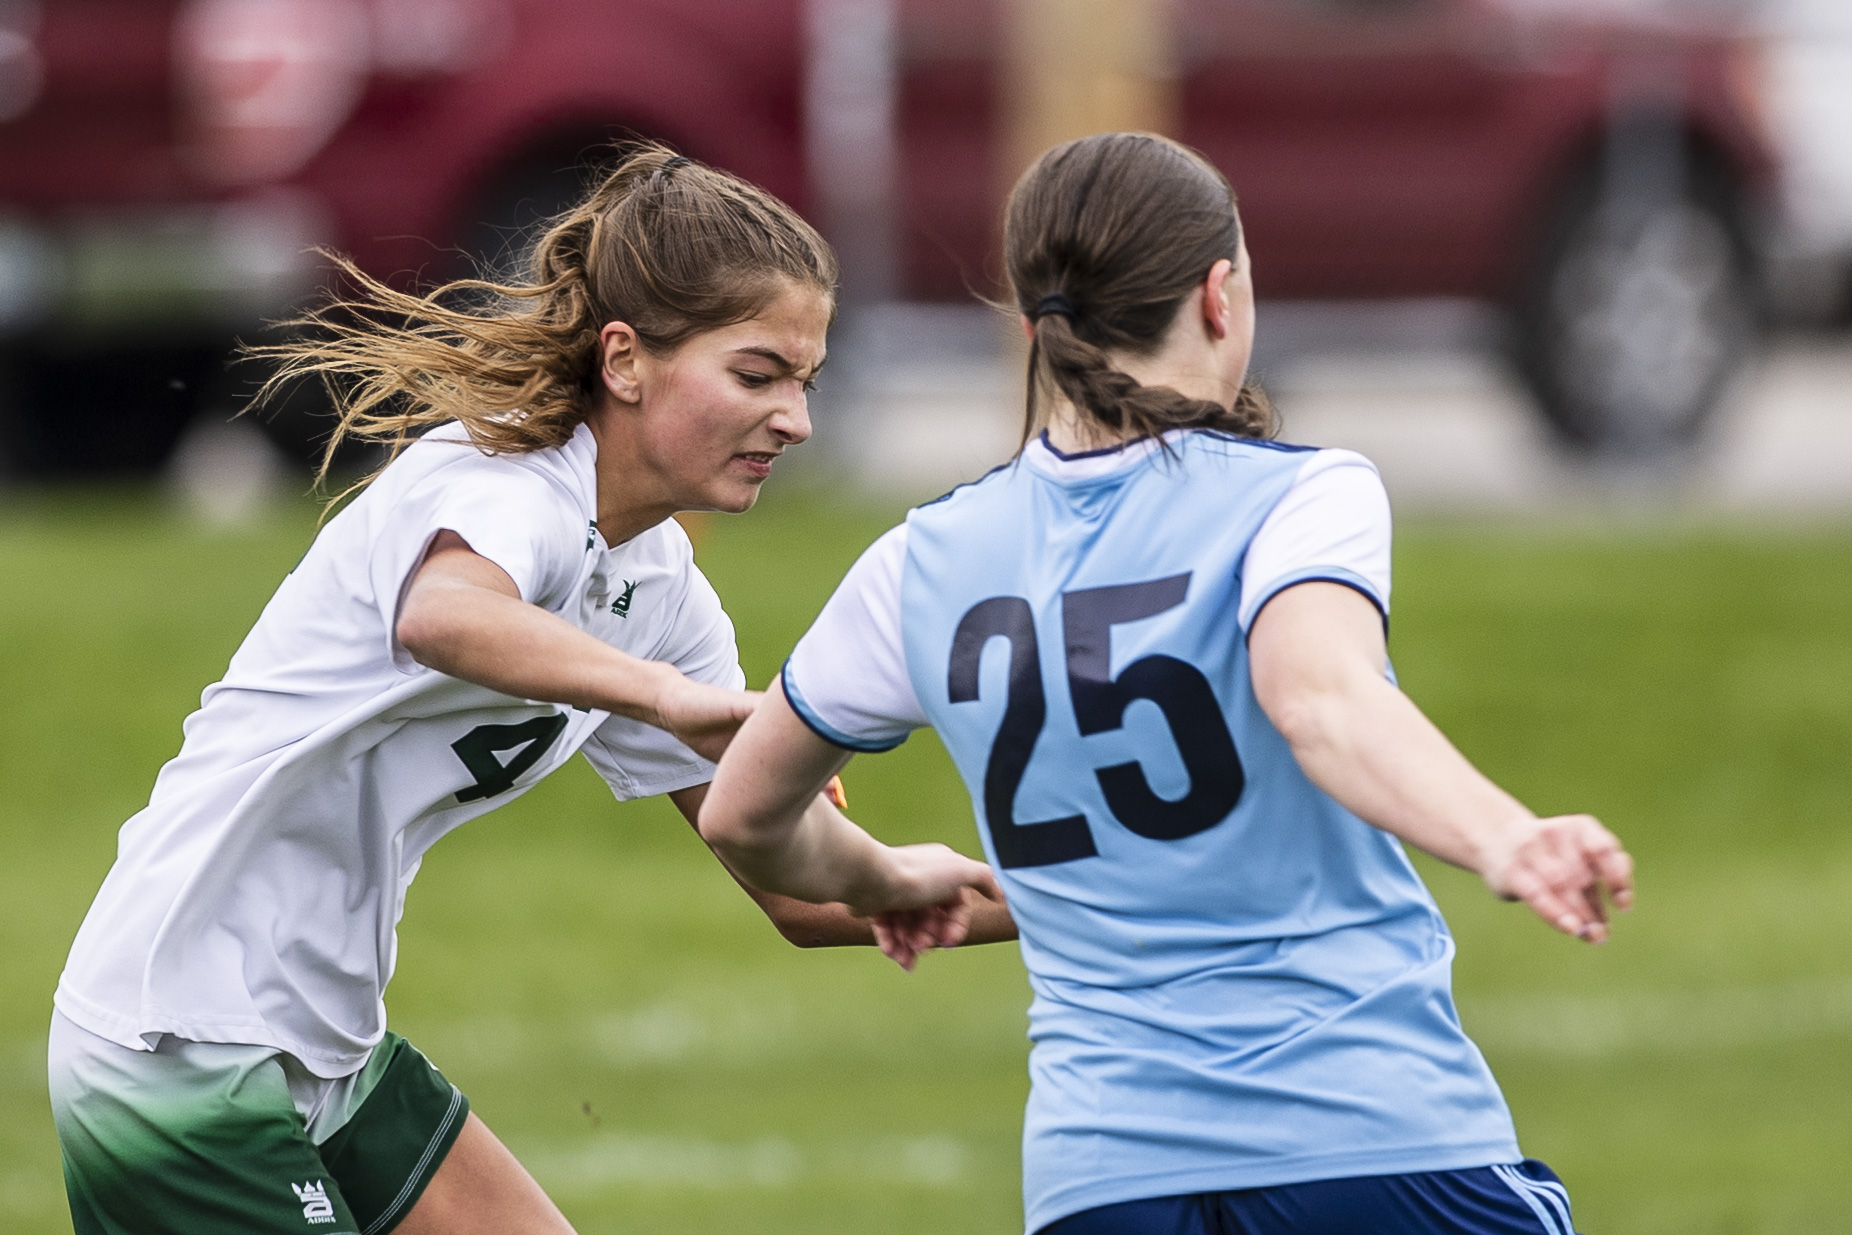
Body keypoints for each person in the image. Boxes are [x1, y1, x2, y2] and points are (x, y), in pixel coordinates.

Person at [48, 144, 1012, 1235]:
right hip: (174, 1045)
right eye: (756, 375)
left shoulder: (663, 593)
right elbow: (447, 615)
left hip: (324, 1047)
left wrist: (1076, 894)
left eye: (806, 381)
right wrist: (663, 699)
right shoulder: (509, 481)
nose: (795, 418)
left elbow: (795, 884)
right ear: (625, 359)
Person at [698, 132, 1635, 1235]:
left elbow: (743, 816)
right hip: (1367, 1136)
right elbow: (1321, 700)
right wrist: (1502, 837)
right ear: (1220, 295)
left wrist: (884, 875)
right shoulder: (1299, 498)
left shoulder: (919, 560)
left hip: (1099, 1182)